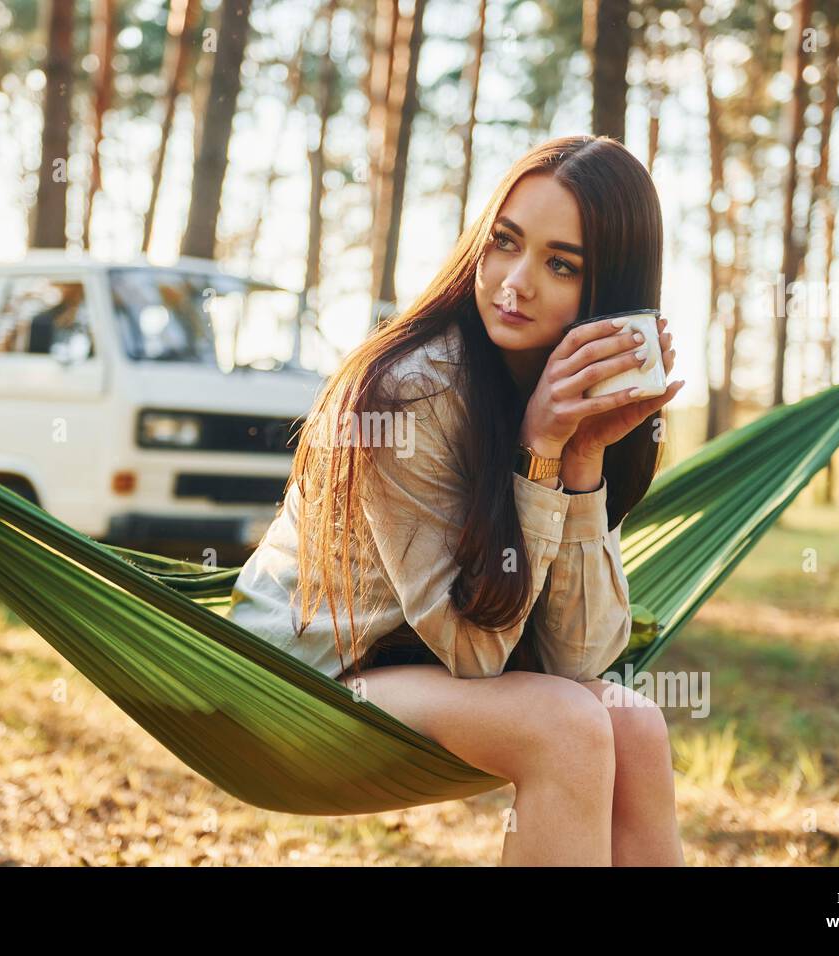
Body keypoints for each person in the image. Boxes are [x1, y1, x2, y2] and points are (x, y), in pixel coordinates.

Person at [228, 134, 686, 865]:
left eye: (560, 263)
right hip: (297, 684)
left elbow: (586, 658)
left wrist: (582, 457)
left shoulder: (559, 403)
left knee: (631, 723)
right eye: (504, 243)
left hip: (413, 671)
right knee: (566, 726)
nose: (515, 282)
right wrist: (535, 454)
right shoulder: (413, 392)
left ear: (610, 296)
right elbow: (476, 655)